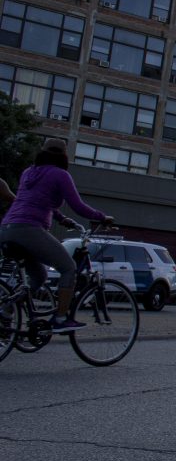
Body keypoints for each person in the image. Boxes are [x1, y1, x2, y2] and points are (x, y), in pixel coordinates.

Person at [0, 138, 113, 332]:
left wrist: (61, 219)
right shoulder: (61, 175)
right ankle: (60, 319)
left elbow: (36, 202)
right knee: (68, 268)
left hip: (7, 229)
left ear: (42, 151)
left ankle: (6, 312)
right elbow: (78, 206)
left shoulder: (28, 173)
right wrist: (101, 217)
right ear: (64, 155)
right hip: (30, 229)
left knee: (39, 277)